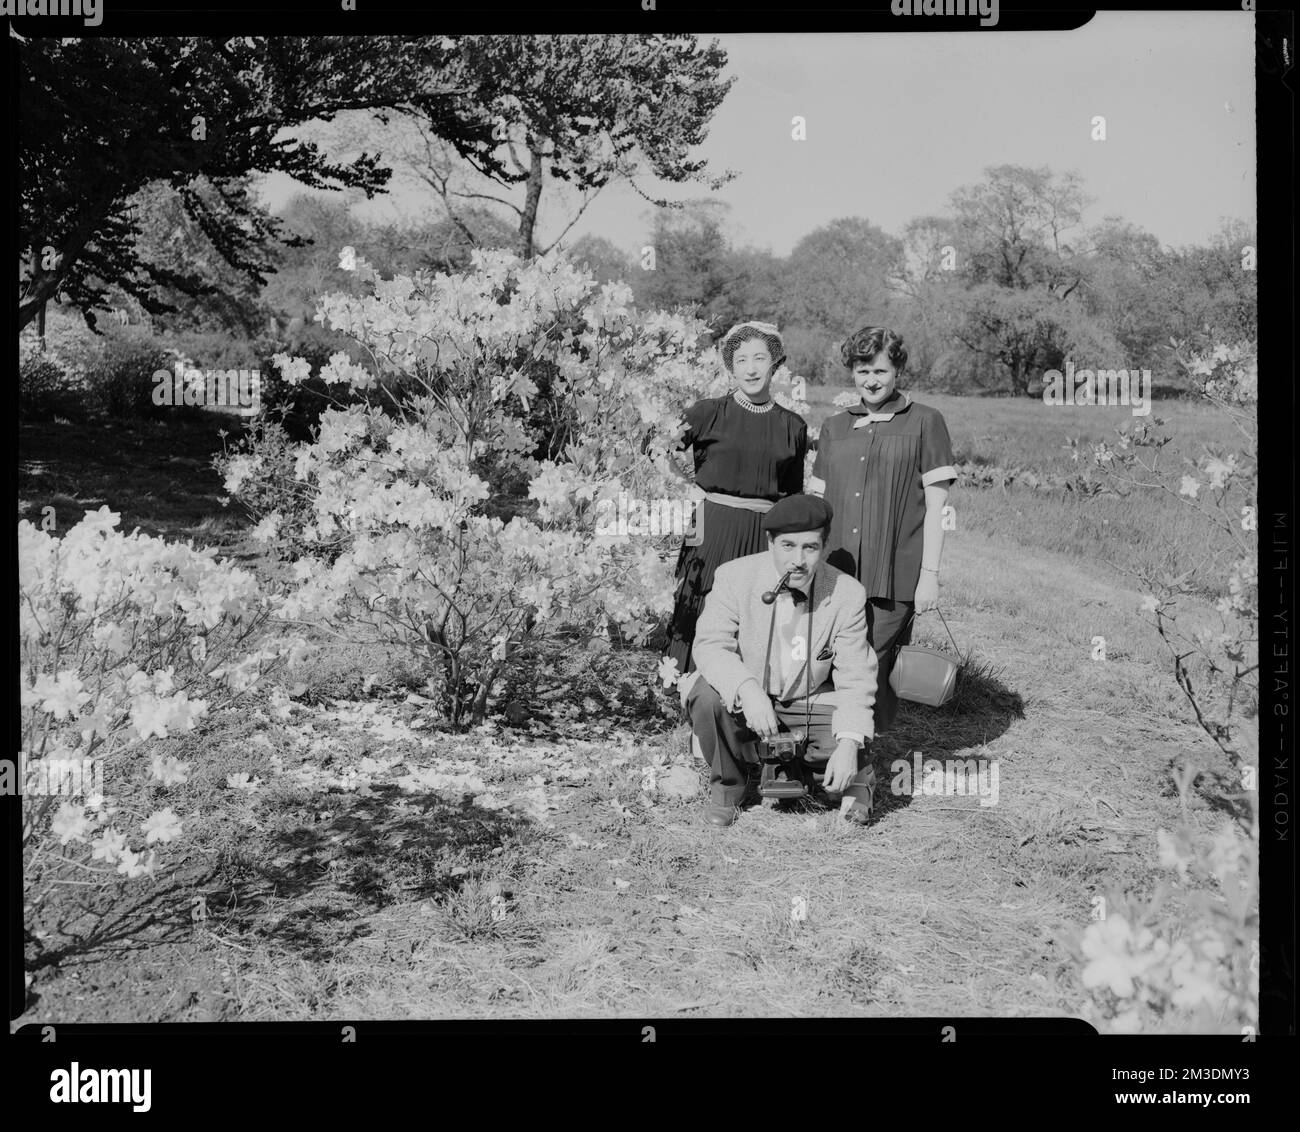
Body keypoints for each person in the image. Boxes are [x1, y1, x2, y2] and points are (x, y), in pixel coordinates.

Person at [688, 493, 879, 828]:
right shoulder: (734, 576)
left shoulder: (847, 593)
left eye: (810, 547)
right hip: (751, 699)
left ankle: (853, 780)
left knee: (850, 744)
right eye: (788, 546)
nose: (798, 560)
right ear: (770, 542)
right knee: (706, 696)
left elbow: (857, 674)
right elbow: (709, 646)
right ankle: (728, 789)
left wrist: (849, 743)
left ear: (824, 545)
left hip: (809, 698)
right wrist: (747, 689)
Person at [809, 326, 957, 736]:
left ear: (898, 370)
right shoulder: (835, 426)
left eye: (879, 370)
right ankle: (828, 759)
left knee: (870, 666)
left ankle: (859, 770)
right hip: (835, 574)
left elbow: (937, 509)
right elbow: (817, 509)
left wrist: (929, 577)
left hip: (895, 575)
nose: (870, 380)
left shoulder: (926, 422)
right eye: (861, 370)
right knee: (827, 664)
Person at [661, 321, 808, 706]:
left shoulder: (793, 425)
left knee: (754, 614)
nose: (751, 367)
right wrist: (684, 487)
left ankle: (740, 699)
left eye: (760, 357)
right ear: (731, 367)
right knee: (698, 605)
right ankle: (680, 694)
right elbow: (656, 444)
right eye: (741, 359)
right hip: (714, 524)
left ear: (774, 363)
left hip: (765, 532)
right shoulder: (708, 412)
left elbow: (794, 494)